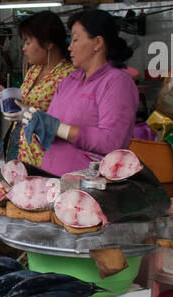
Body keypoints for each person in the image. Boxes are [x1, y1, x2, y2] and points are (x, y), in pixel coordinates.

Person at [22, 10, 139, 176]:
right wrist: (39, 129)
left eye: (75, 39)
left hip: (88, 188)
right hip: (52, 180)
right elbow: (50, 134)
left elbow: (111, 141)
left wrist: (61, 129)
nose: (70, 46)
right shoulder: (69, 81)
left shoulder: (117, 82)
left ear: (97, 43)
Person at [0, 12, 72, 167]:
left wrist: (31, 114)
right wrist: (5, 95)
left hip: (42, 157)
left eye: (28, 43)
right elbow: (24, 101)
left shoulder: (68, 75)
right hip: (18, 147)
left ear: (48, 43)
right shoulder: (34, 70)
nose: (23, 48)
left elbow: (68, 121)